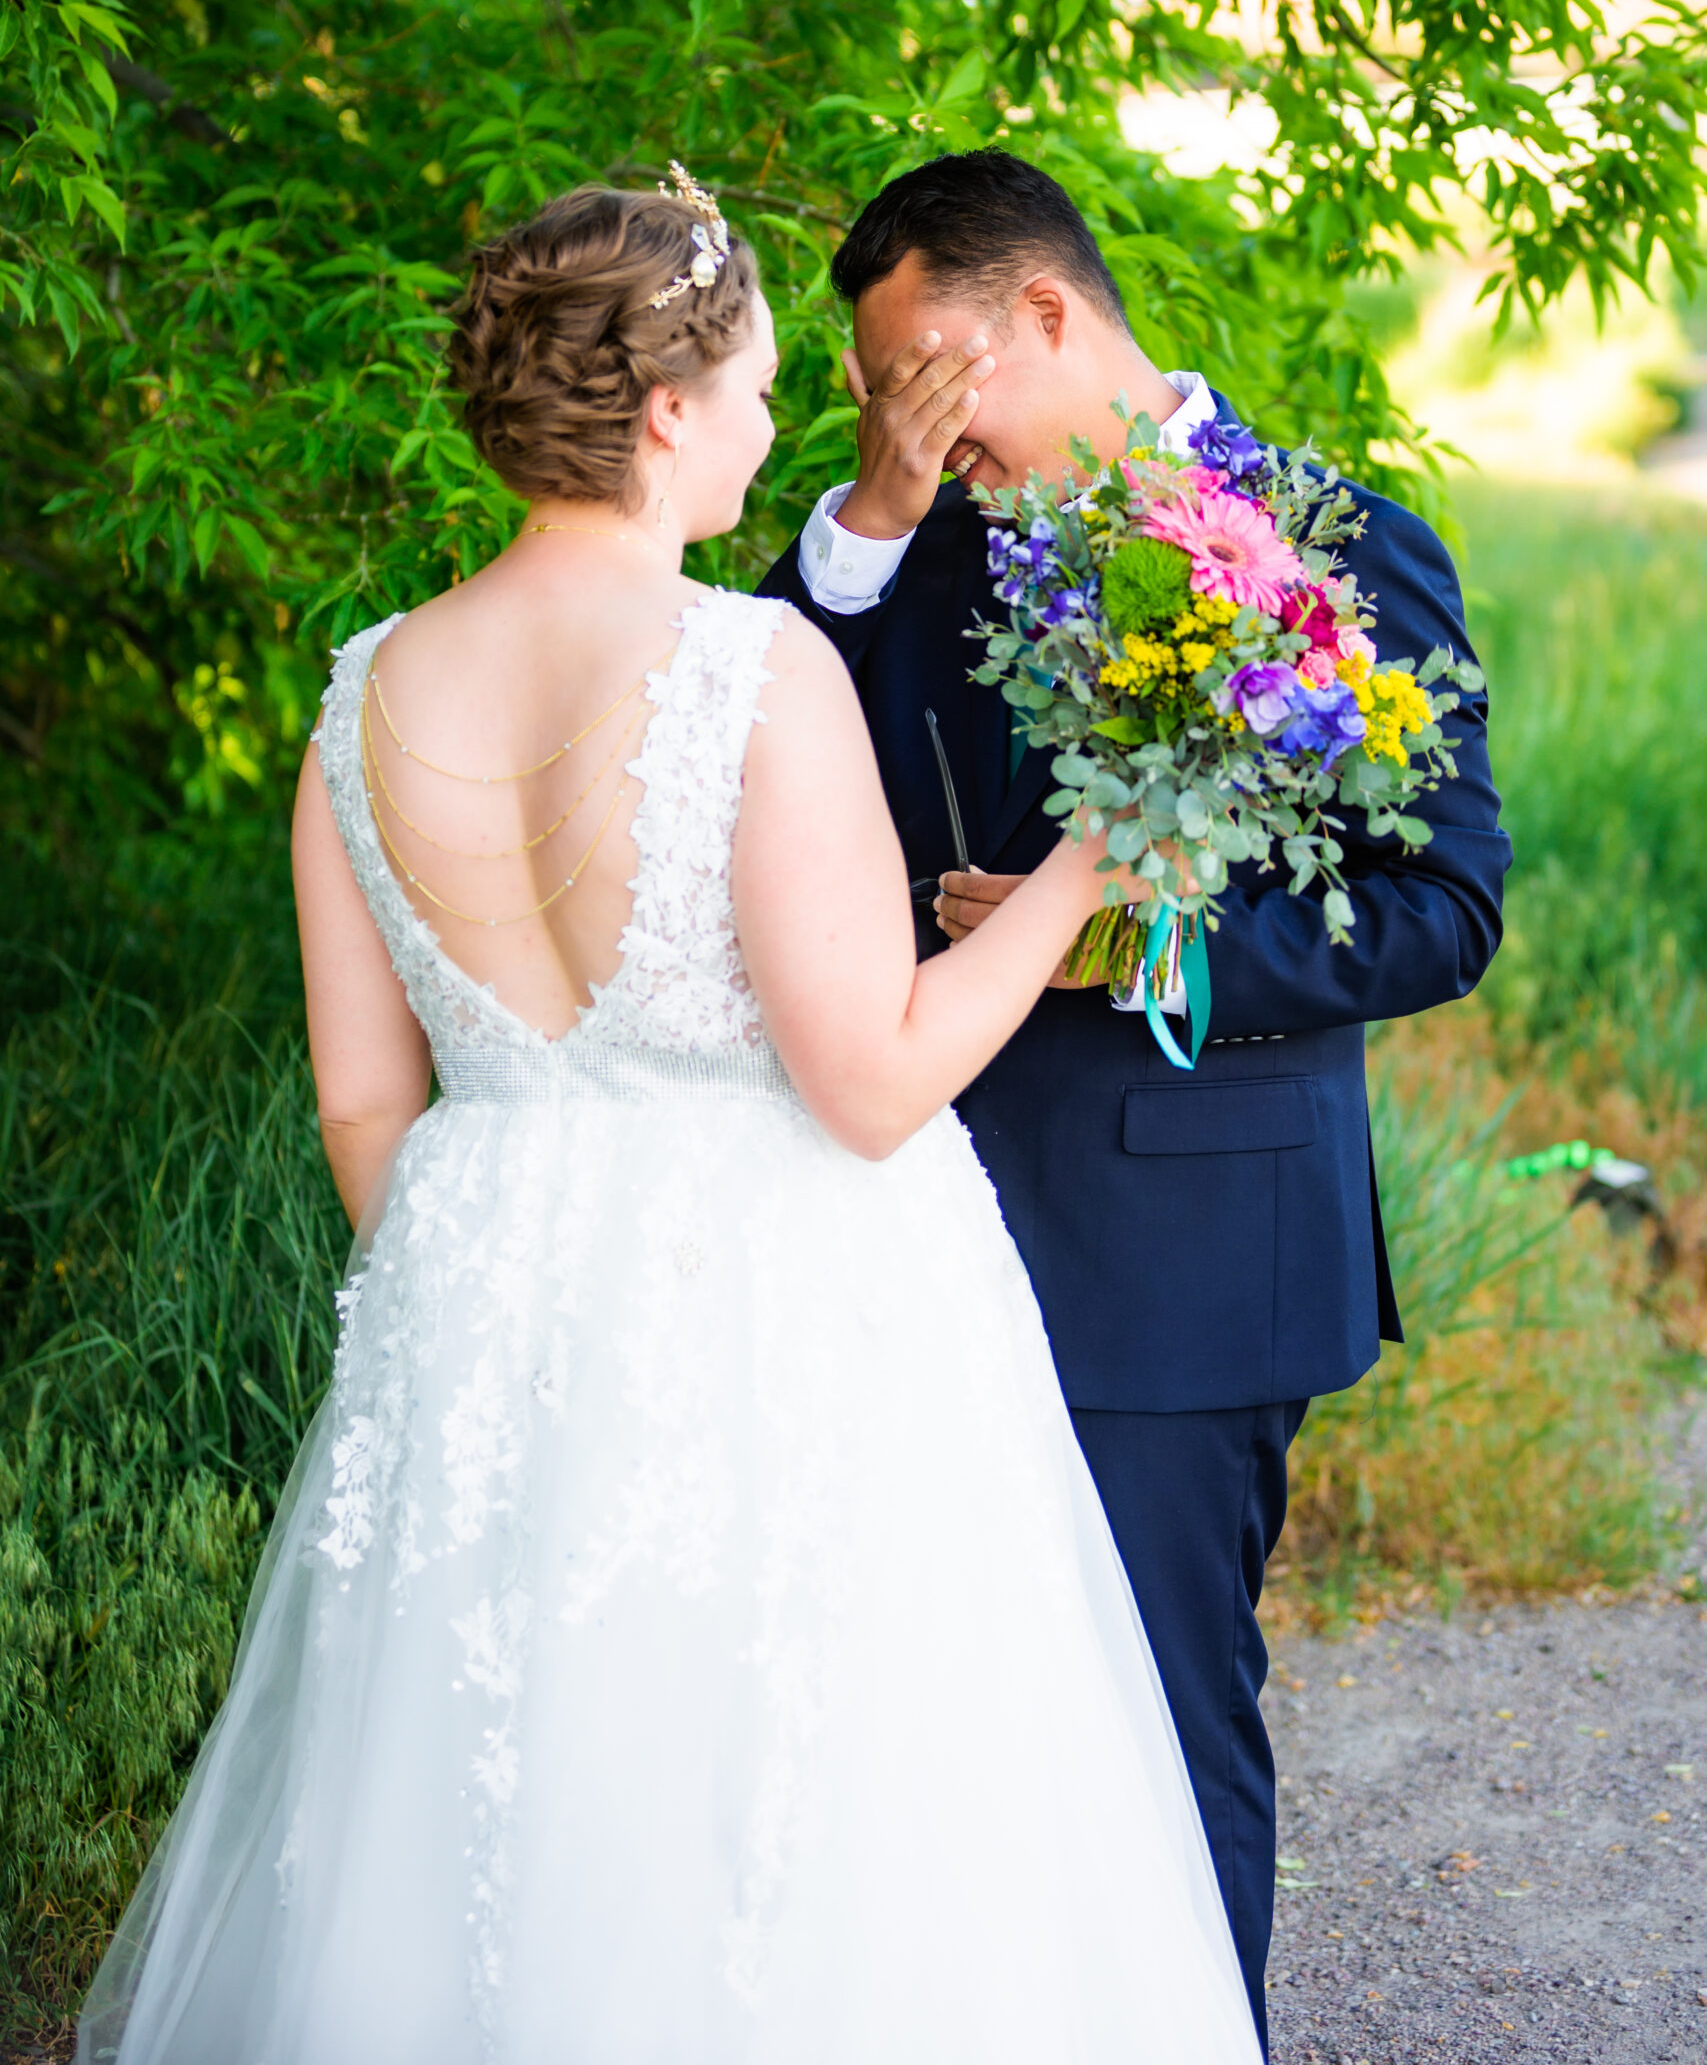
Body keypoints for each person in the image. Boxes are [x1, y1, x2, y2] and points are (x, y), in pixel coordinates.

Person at [78, 170, 1261, 2065]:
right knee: (816, 1825)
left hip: (490, 1320)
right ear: (661, 415)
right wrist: (1087, 864)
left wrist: (508, 1307)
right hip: (801, 1319)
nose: (785, 425)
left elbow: (367, 1105)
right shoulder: (750, 668)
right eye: (766, 386)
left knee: (498, 1806)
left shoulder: (357, 699)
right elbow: (870, 1080)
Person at [759, 148, 1511, 2051]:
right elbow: (757, 738)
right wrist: (868, 505)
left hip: (1181, 1252)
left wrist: (1131, 943)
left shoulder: (1332, 541)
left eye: (922, 366)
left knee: (1161, 1721)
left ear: (1040, 313)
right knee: (928, 1735)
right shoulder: (902, 540)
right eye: (865, 386)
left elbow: (1441, 909)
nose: (904, 411)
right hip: (907, 1221)